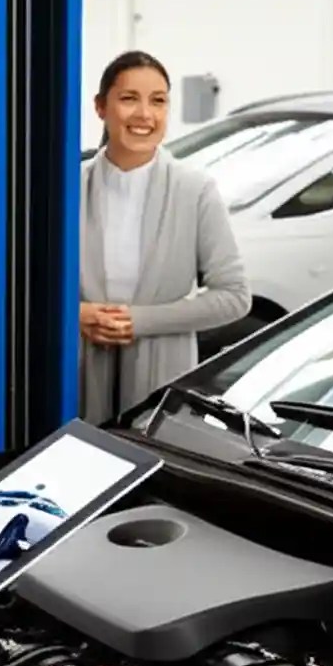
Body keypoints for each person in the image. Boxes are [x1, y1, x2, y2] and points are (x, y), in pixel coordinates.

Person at [79, 51, 252, 424]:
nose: (145, 114)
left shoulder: (195, 190)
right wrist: (74, 316)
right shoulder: (66, 188)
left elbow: (234, 297)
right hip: (75, 382)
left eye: (158, 101)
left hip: (162, 386)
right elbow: (26, 290)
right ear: (100, 107)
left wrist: (138, 321)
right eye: (129, 99)